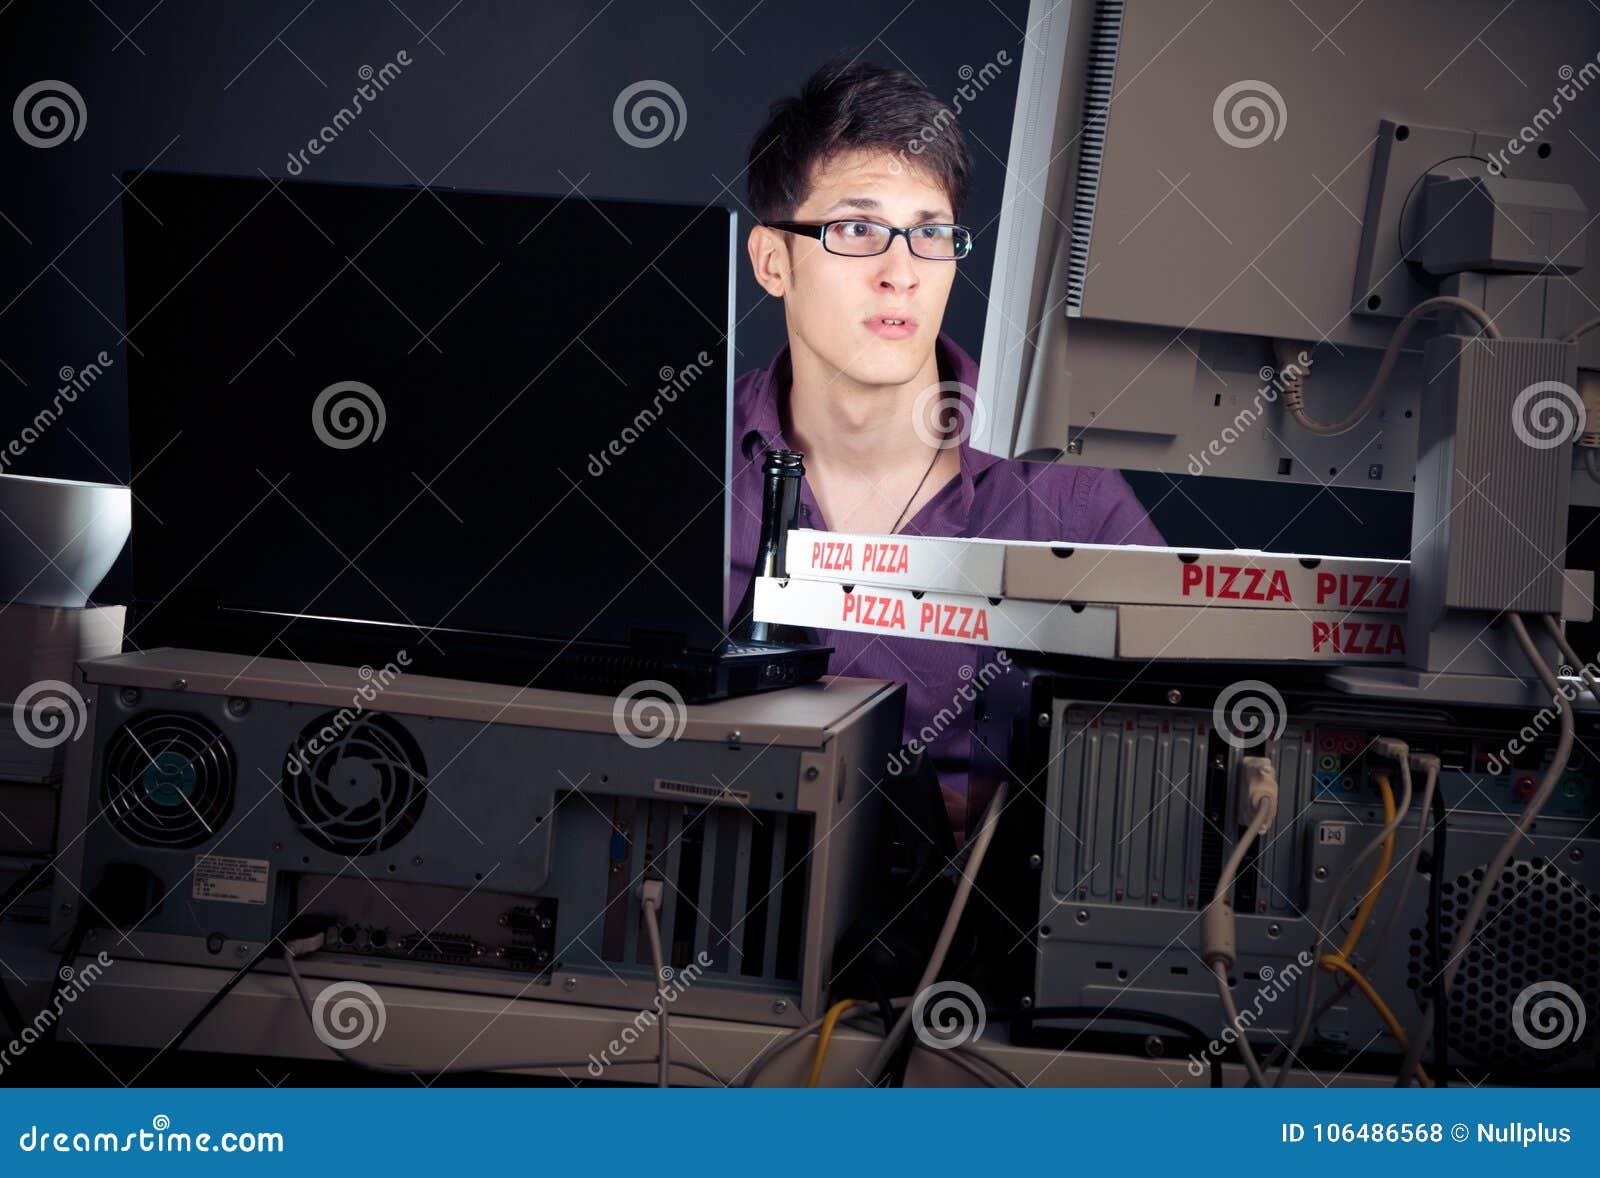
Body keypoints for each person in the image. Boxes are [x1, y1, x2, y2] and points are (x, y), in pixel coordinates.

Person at [728, 58, 1162, 837]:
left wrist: (1011, 825)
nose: (901, 274)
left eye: (929, 233)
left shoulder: (1066, 494)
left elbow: (1171, 753)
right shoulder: (690, 466)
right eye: (857, 229)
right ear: (772, 261)